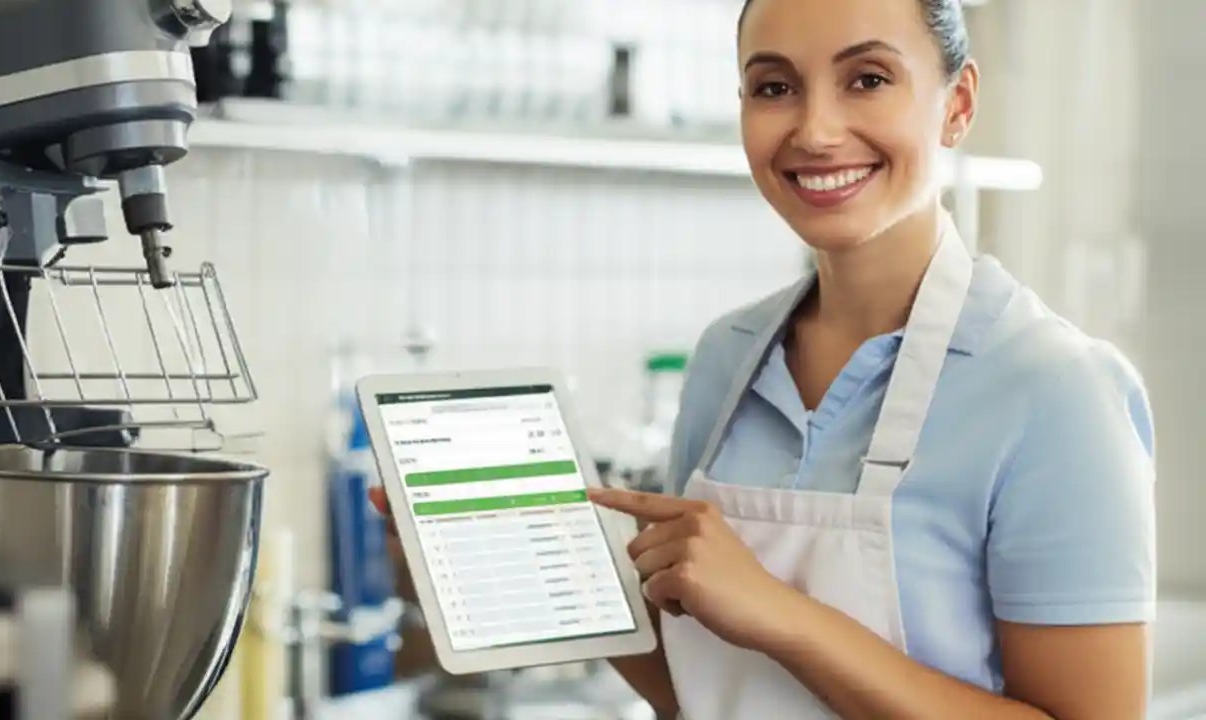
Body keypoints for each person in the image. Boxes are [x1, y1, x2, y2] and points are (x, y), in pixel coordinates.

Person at [373, 0, 1156, 717]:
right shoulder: (727, 360)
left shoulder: (1056, 392)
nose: (815, 130)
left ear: (957, 104)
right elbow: (705, 694)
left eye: (869, 79)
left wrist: (782, 616)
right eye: (774, 87)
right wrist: (517, 568)